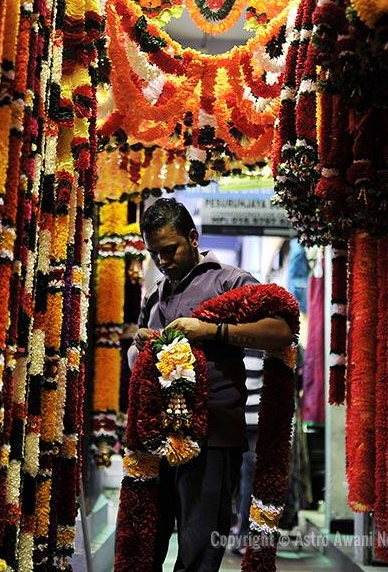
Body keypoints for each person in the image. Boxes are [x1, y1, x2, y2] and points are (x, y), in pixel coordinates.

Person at [126, 198, 294, 572]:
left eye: (170, 250)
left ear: (193, 237)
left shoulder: (228, 281)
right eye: (154, 254)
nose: (162, 261)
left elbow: (281, 330)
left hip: (213, 437)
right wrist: (140, 348)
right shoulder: (155, 294)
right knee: (145, 547)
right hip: (159, 438)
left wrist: (210, 330)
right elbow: (135, 361)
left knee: (199, 551)